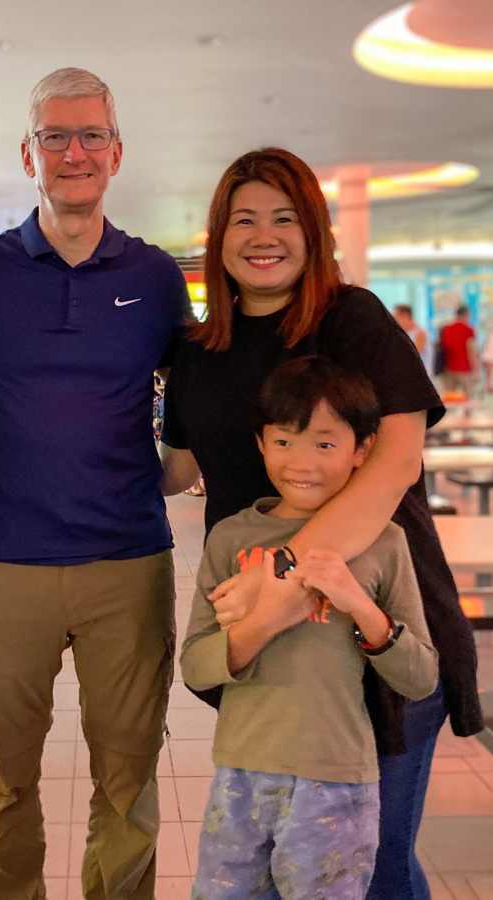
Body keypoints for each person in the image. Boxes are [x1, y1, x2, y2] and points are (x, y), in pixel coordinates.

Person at [159, 147, 481, 900]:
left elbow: (394, 464)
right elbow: (175, 469)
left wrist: (278, 582)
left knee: (373, 871)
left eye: (285, 218)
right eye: (244, 219)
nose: (263, 236)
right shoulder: (199, 352)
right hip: (269, 660)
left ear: (313, 231)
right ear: (218, 235)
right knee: (282, 868)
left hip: (376, 621)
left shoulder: (352, 320)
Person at [0, 67, 188, 899]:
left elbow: (204, 395)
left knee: (128, 784)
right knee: (2, 781)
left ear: (116, 153)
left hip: (129, 564)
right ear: (28, 154)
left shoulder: (155, 277)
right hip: (6, 562)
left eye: (91, 136)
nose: (73, 152)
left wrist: (194, 471)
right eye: (55, 137)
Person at [182, 356, 438, 899]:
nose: (302, 462)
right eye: (283, 441)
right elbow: (196, 667)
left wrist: (358, 605)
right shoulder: (232, 538)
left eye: (325, 443)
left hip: (338, 780)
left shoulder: (382, 541)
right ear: (261, 443)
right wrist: (267, 619)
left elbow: (420, 679)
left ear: (362, 449)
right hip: (241, 774)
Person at [439, 304, 477, 396]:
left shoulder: (446, 329)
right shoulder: (468, 329)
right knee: (468, 396)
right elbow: (471, 351)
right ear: (466, 315)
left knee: (449, 397)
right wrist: (476, 369)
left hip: (448, 368)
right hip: (465, 369)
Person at [393, 304, 431, 374]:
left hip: (420, 374)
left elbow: (412, 356)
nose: (393, 319)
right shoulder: (403, 332)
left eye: (395, 316)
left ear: (405, 315)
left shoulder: (420, 333)